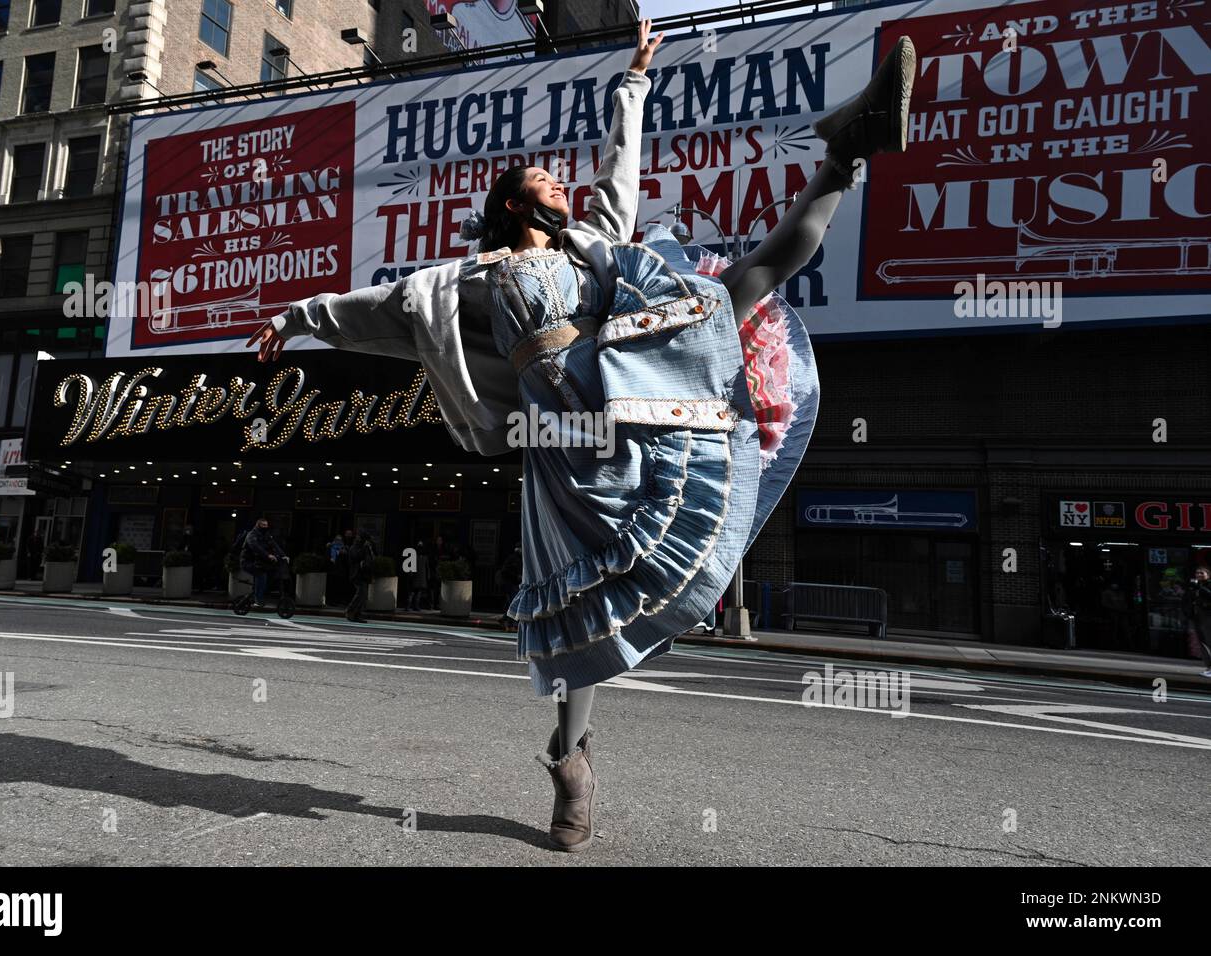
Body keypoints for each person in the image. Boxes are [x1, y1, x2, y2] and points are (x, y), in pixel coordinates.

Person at [248, 20, 914, 851]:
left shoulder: (589, 244)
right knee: (580, 604)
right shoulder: (458, 286)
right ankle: (570, 759)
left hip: (629, 370)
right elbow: (371, 314)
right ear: (508, 204)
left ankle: (849, 150)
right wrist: (296, 317)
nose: (560, 187)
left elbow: (617, 174)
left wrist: (633, 84)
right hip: (561, 441)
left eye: (562, 182)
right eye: (542, 181)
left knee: (750, 279)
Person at [239, 516, 285, 608]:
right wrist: (268, 555)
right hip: (247, 562)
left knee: (270, 573)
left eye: (266, 525)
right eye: (263, 525)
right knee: (261, 574)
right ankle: (257, 600)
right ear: (258, 525)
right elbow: (256, 547)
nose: (265, 527)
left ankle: (257, 593)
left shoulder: (266, 535)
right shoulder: (251, 535)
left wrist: (283, 555)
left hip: (259, 562)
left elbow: (273, 544)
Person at [1182, 566, 1211, 677]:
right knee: (1203, 643)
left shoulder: (1205, 585)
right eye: (1197, 572)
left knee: (1209, 641)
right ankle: (1208, 667)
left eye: (1201, 573)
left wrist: (1199, 587)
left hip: (1208, 616)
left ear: (1208, 575)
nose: (1199, 575)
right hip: (1197, 616)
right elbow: (1187, 599)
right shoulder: (1193, 587)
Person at [345, 531, 376, 623]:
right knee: (360, 594)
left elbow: (372, 558)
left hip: (365, 575)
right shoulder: (354, 547)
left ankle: (357, 615)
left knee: (364, 596)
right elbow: (356, 557)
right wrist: (364, 548)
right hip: (357, 574)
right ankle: (350, 611)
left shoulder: (366, 547)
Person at [496, 545, 523, 629]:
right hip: (510, 583)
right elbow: (505, 571)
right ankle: (512, 622)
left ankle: (506, 619)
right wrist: (516, 576)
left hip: (513, 583)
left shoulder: (517, 559)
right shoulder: (514, 559)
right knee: (514, 602)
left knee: (512, 602)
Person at [407, 540, 430, 611]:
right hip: (420, 577)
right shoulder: (424, 558)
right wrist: (428, 576)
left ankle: (410, 606)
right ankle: (414, 606)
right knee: (417, 592)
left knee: (413, 592)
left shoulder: (414, 557)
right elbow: (427, 568)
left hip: (416, 577)